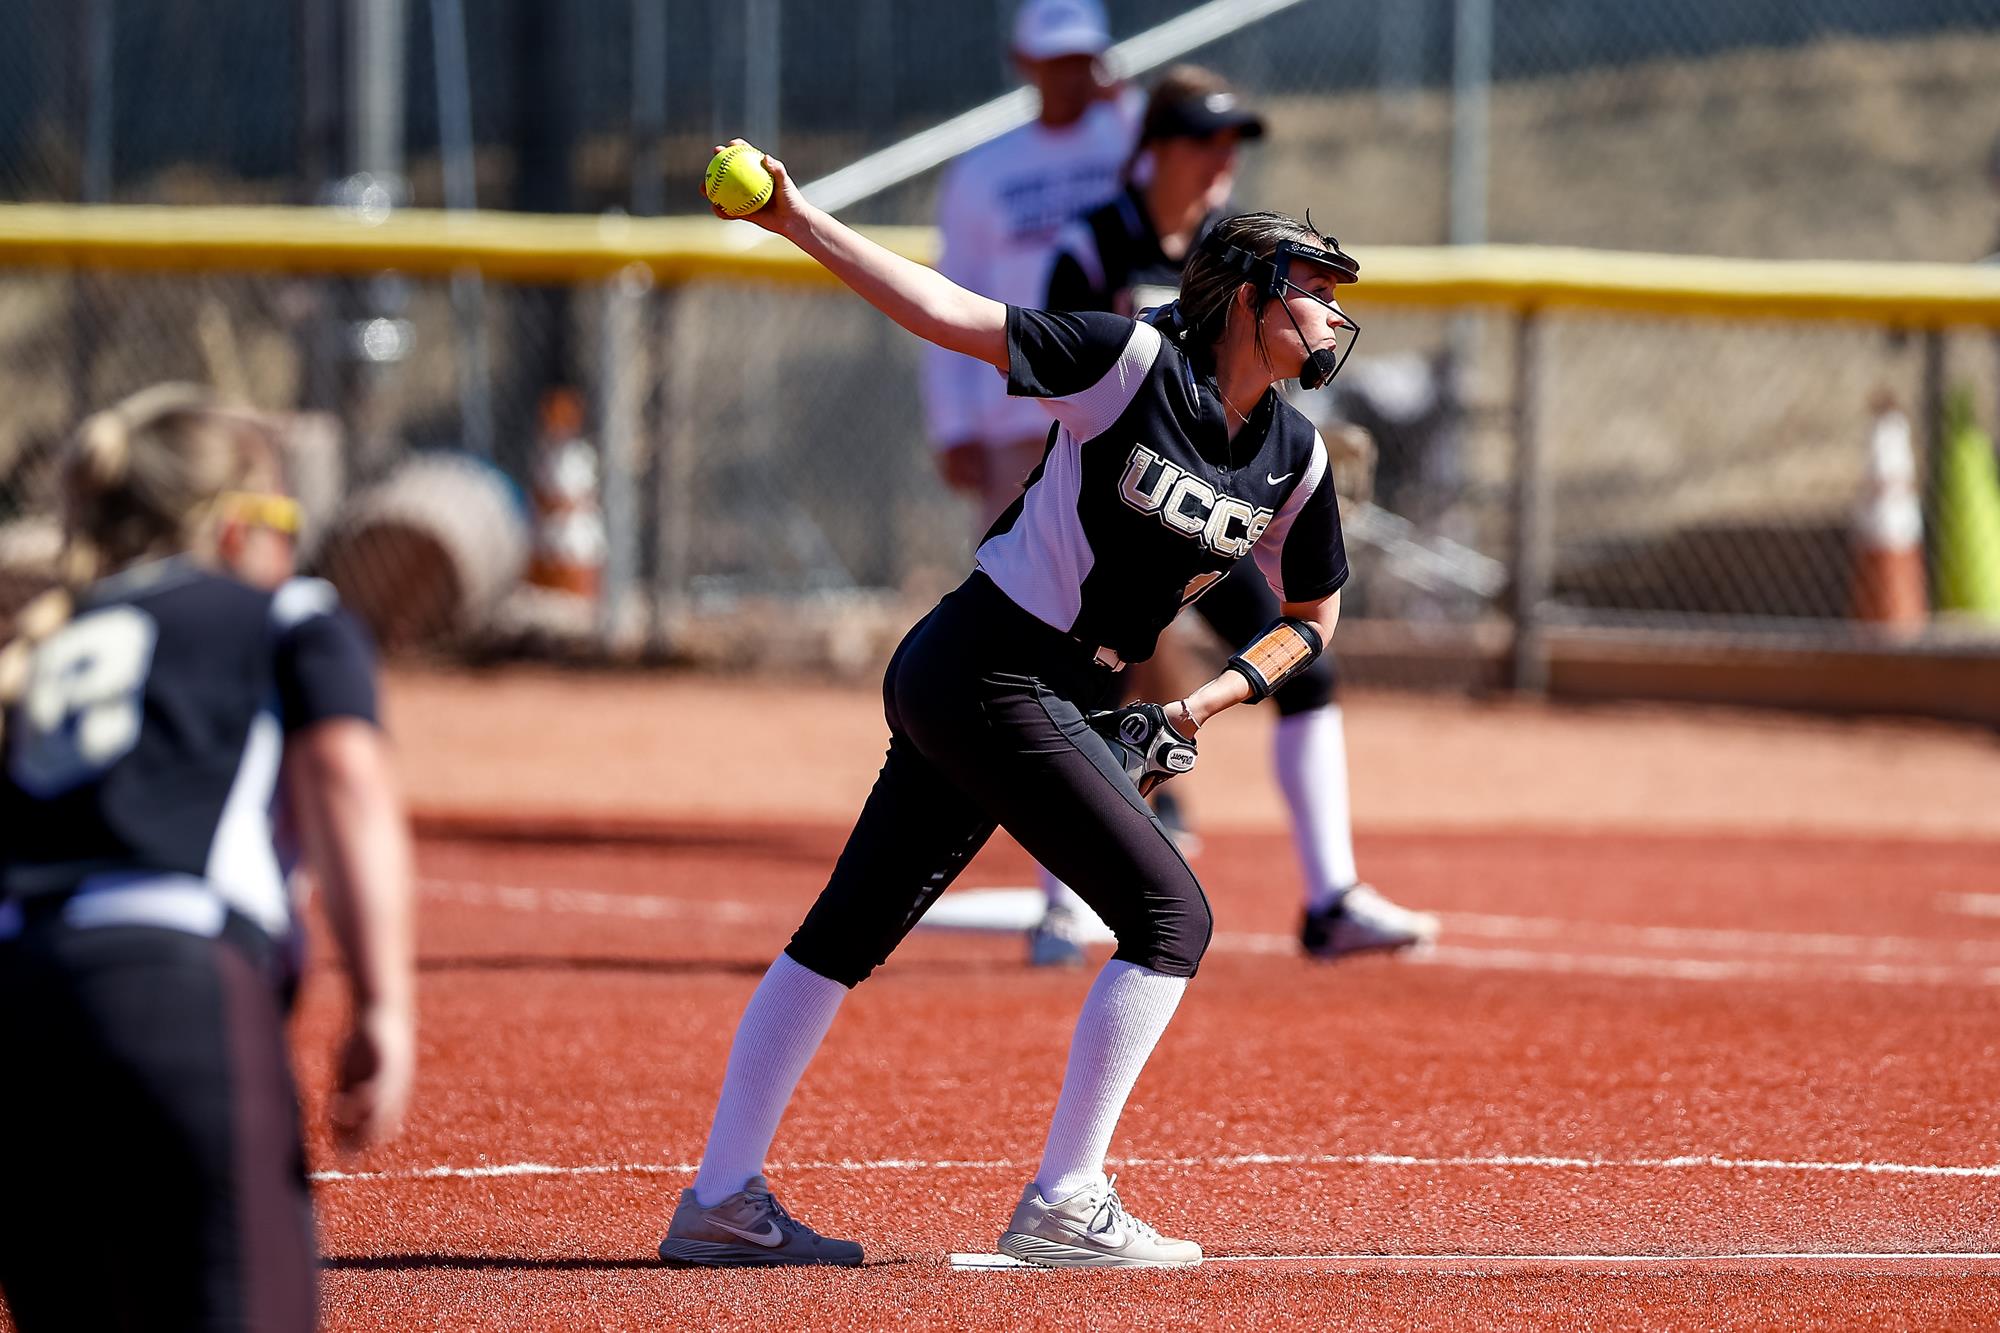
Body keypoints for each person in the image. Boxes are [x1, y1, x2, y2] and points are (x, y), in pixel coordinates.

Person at [662, 141, 1360, 1270]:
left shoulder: (1295, 454)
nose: (1330, 316)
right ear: (1246, 299)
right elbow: (948, 312)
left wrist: (1196, 710)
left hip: (1021, 687)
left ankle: (721, 1202)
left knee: (844, 933)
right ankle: (1063, 1201)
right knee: (1170, 917)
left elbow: (1312, 618)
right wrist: (801, 224)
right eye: (1313, 292)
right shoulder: (1128, 361)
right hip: (990, 665)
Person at [0, 385, 416, 1331]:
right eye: (279, 518)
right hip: (172, 990)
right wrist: (385, 1002)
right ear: (233, 528)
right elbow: (347, 780)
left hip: (19, 1003)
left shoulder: (46, 638)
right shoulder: (287, 615)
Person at [1036, 66, 1440, 967]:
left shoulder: (1241, 249)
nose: (1223, 157)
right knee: (1087, 678)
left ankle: (1331, 896)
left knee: (1303, 662)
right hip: (1109, 510)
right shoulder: (1094, 242)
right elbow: (1067, 376)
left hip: (1212, 511)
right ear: (1156, 147)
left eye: (1232, 142)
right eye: (1203, 137)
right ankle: (1063, 907)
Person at [920, 0, 1141, 530]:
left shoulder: (1127, 144)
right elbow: (953, 290)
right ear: (1022, 60)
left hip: (1125, 407)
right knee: (1009, 592)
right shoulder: (984, 169)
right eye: (1054, 60)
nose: (1069, 74)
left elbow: (1187, 182)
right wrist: (952, 425)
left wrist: (1129, 104)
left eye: (1080, 59)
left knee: (1134, 595)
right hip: (1014, 413)